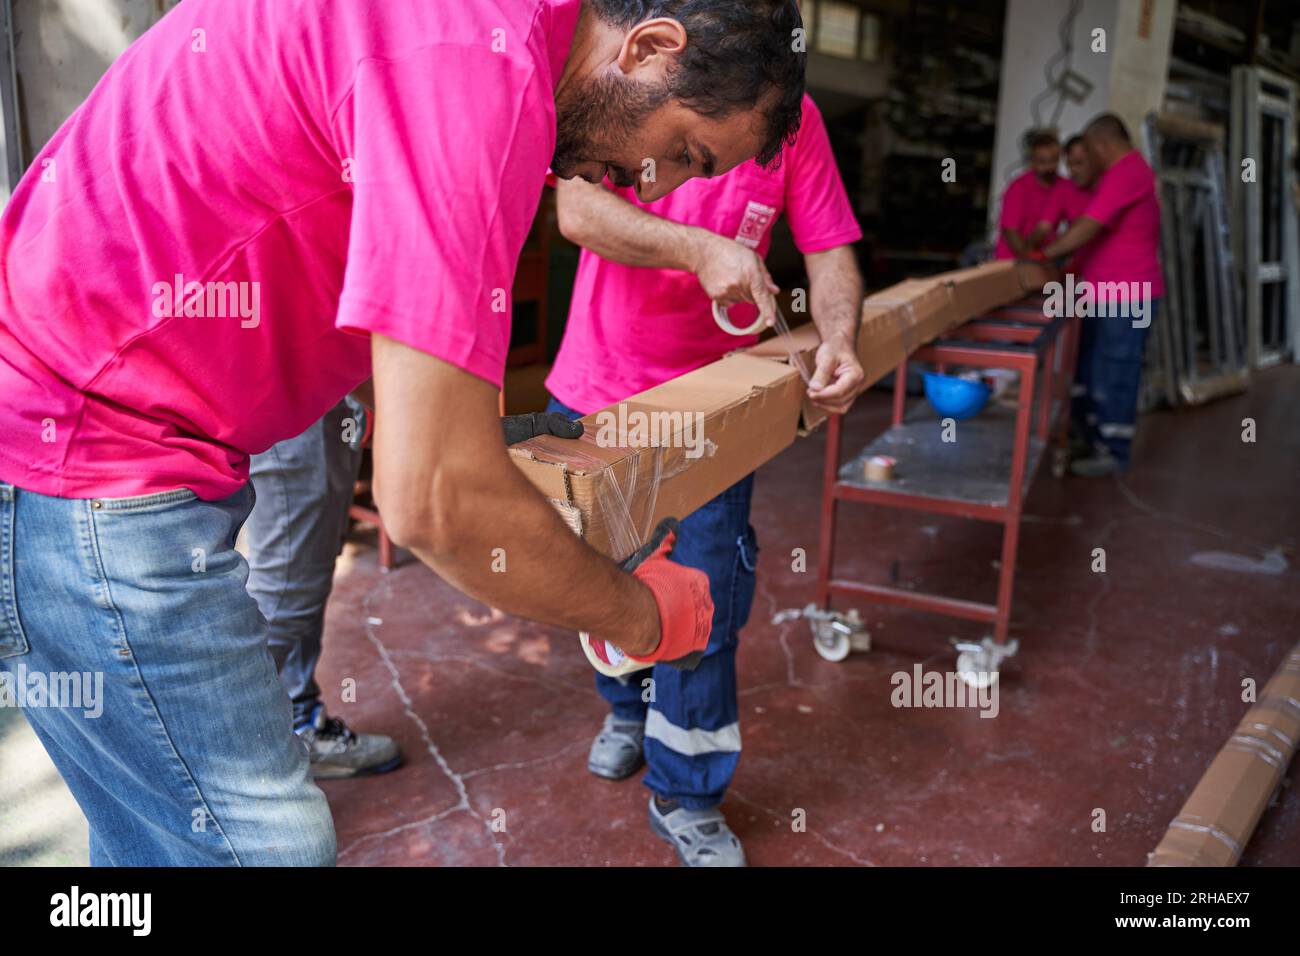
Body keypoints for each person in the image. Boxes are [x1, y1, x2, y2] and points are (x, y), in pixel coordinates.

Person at [0, 0, 806, 866]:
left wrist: (502, 483)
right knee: (260, 848)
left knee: (157, 836)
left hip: (95, 436)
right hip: (83, 450)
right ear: (649, 48)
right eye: (684, 152)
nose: (653, 187)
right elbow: (434, 502)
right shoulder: (475, 67)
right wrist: (643, 616)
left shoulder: (491, 47)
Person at [549, 93, 865, 866]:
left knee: (702, 598)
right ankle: (627, 708)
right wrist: (698, 248)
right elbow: (578, 210)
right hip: (595, 392)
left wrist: (843, 339)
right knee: (600, 581)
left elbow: (830, 252)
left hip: (714, 413)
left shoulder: (796, 121)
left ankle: (687, 794)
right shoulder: (639, 83)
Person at [244, 398, 402, 778]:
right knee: (287, 591)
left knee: (306, 578)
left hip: (322, 395)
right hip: (290, 394)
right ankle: (217, 759)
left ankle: (301, 723)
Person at [1040, 113, 1164, 476]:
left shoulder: (1128, 172)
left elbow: (1088, 227)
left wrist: (1044, 257)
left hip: (1128, 293)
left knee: (1116, 369)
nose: (1086, 161)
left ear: (1102, 145)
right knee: (1092, 368)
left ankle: (1113, 451)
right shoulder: (1117, 176)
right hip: (1106, 293)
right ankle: (1092, 437)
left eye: (1088, 152)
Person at [994, 129, 1065, 259]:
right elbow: (1011, 232)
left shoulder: (1063, 186)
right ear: (1032, 162)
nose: (1049, 167)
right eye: (1043, 162)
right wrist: (1030, 259)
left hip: (1045, 260)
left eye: (1053, 161)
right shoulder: (1018, 188)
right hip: (1012, 261)